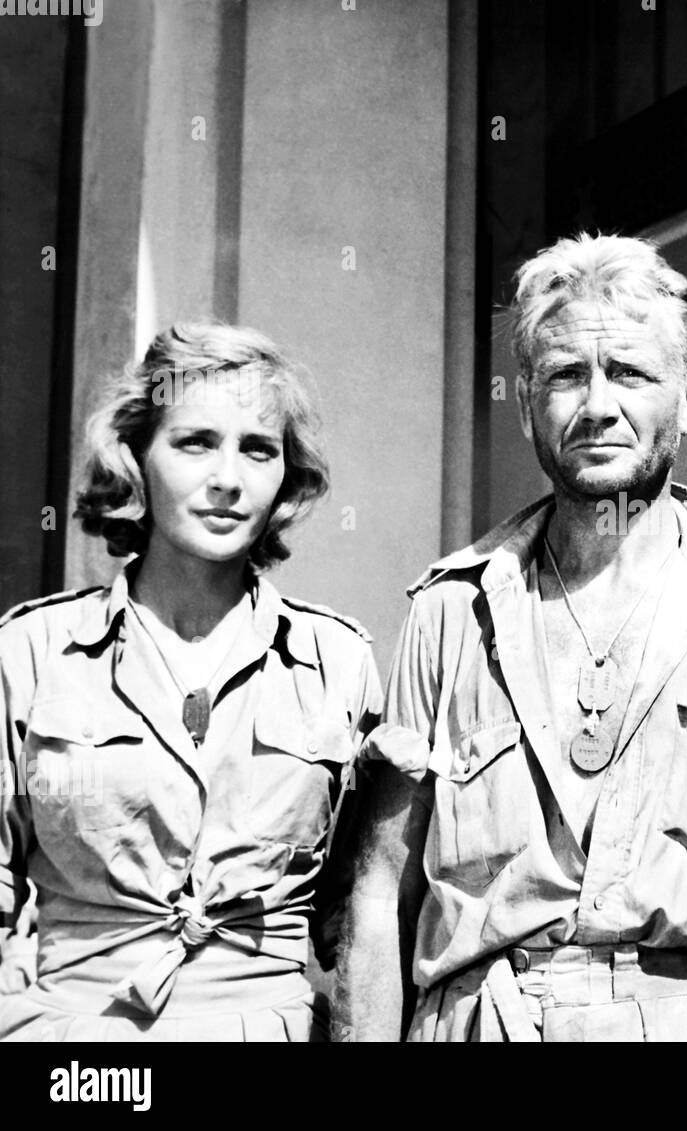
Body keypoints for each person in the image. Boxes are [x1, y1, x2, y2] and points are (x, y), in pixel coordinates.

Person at [334, 233, 687, 1041]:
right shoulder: (450, 612)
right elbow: (377, 896)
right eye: (564, 375)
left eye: (628, 372)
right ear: (524, 405)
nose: (597, 405)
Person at [0, 322, 381, 1041]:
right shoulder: (32, 652)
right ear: (137, 456)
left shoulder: (337, 660)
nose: (229, 478)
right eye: (196, 442)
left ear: (287, 479)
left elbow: (356, 913)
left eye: (258, 450)